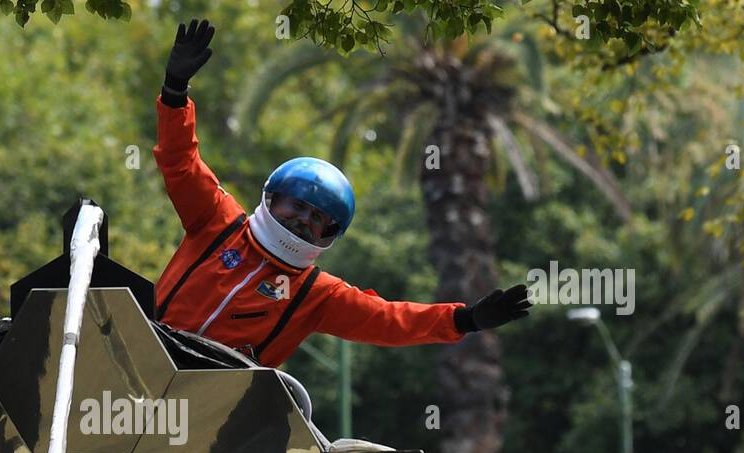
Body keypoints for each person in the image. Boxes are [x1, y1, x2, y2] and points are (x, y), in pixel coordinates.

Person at [153, 19, 533, 367]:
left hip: (210, 399)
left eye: (318, 218)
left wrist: (464, 319)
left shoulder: (317, 295)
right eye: (298, 206)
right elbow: (180, 159)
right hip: (146, 354)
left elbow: (388, 319)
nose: (303, 220)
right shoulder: (217, 220)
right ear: (273, 197)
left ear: (329, 234)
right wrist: (175, 91)